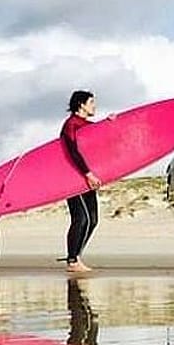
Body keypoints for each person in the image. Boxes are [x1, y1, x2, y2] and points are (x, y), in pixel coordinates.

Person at [61, 91, 102, 273]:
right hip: (73, 177)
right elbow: (73, 151)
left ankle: (76, 255)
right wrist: (87, 173)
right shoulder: (71, 124)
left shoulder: (87, 125)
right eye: (91, 102)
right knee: (81, 218)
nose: (94, 106)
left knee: (93, 220)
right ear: (81, 104)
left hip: (87, 178)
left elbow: (102, 137)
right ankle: (72, 260)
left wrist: (112, 122)